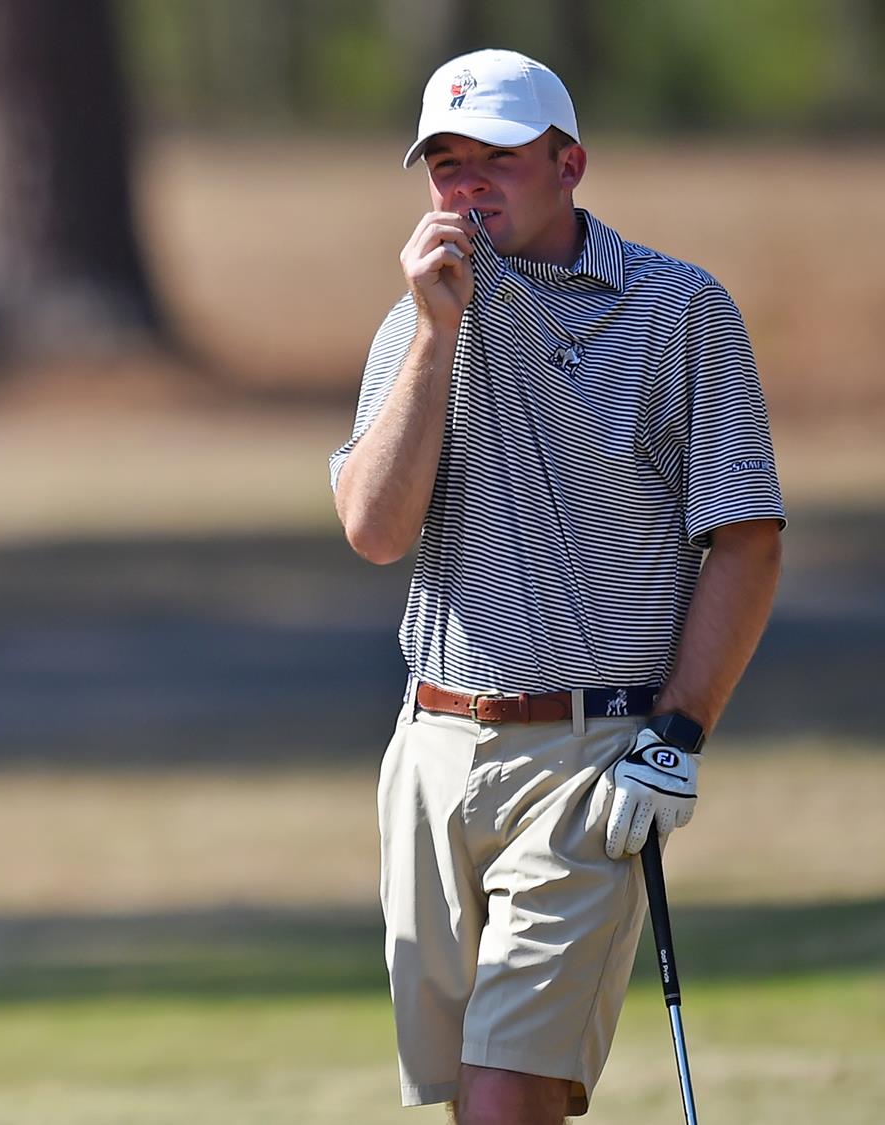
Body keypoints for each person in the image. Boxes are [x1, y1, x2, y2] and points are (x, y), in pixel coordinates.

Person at [331, 49, 783, 1123]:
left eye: (496, 158)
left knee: (504, 1097)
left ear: (567, 161)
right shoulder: (412, 325)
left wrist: (678, 733)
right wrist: (435, 336)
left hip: (591, 759)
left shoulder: (680, 311)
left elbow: (745, 540)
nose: (465, 186)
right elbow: (372, 529)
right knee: (469, 1102)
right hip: (432, 752)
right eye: (443, 165)